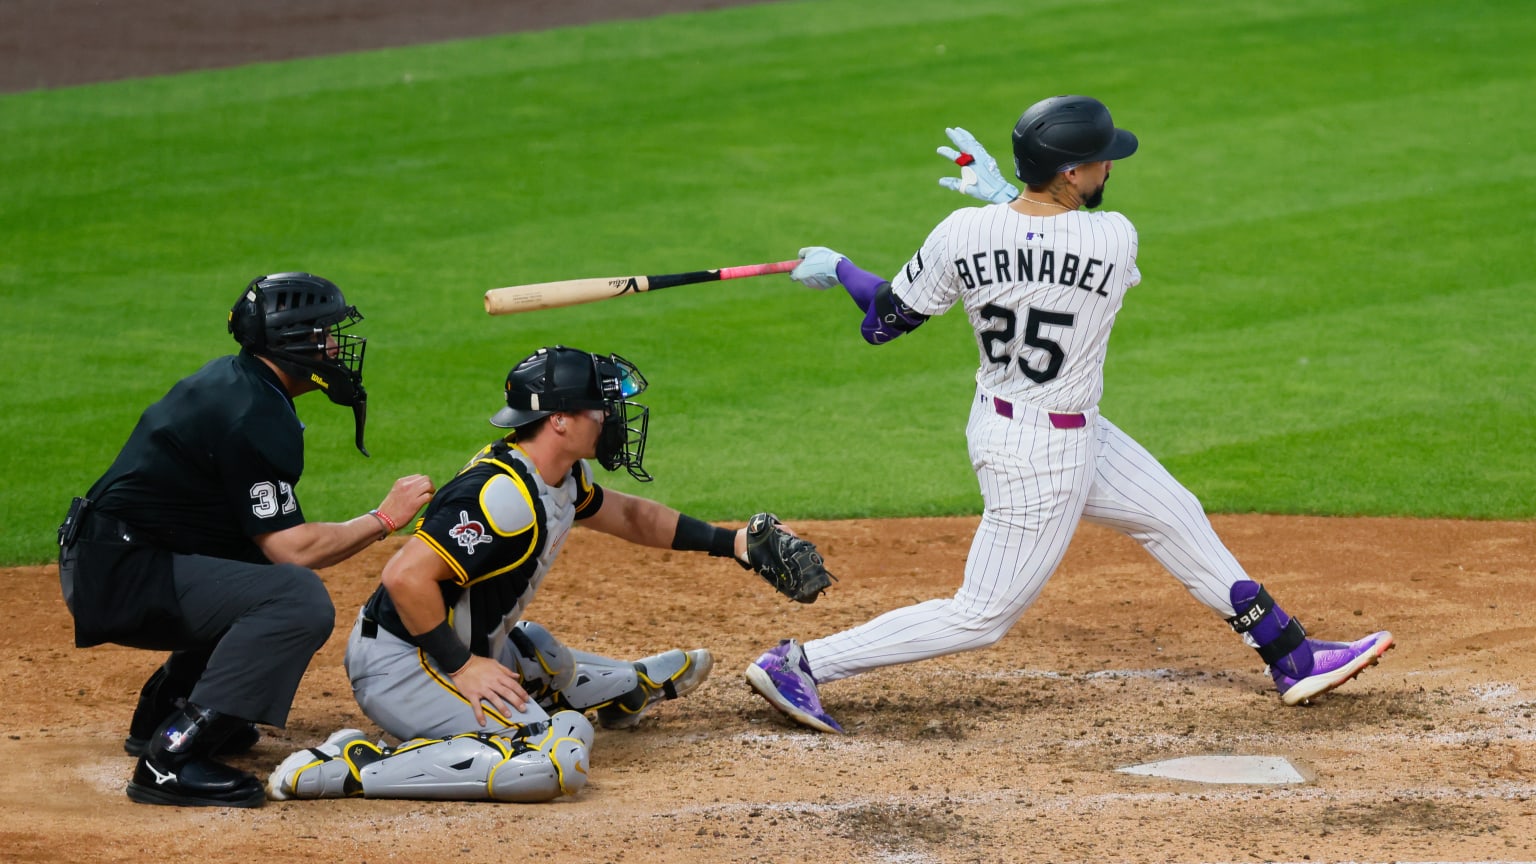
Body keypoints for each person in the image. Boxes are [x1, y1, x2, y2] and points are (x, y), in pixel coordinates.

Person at [744, 95, 1395, 734]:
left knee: (1172, 514)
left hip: (1027, 423)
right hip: (1042, 458)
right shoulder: (1114, 237)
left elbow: (884, 322)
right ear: (1071, 172)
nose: (1109, 167)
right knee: (982, 615)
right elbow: (1053, 250)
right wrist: (1005, 199)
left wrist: (842, 267)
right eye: (1100, 160)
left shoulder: (960, 231)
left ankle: (1291, 654)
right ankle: (800, 663)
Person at [268, 345, 805, 803]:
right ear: (560, 420)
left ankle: (624, 687)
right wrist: (463, 667)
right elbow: (404, 577)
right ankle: (347, 767)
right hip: (407, 665)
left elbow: (629, 515)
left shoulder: (559, 474)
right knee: (550, 756)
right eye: (600, 408)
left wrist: (731, 543)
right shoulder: (499, 496)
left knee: (541, 655)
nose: (612, 418)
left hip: (453, 643)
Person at [56, 272, 435, 807]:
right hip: (122, 574)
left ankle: (164, 710)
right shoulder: (252, 411)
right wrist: (384, 519)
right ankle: (169, 759)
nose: (334, 346)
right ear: (292, 341)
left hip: (114, 558)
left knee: (250, 565)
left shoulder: (242, 384)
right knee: (294, 596)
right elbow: (293, 549)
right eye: (324, 333)